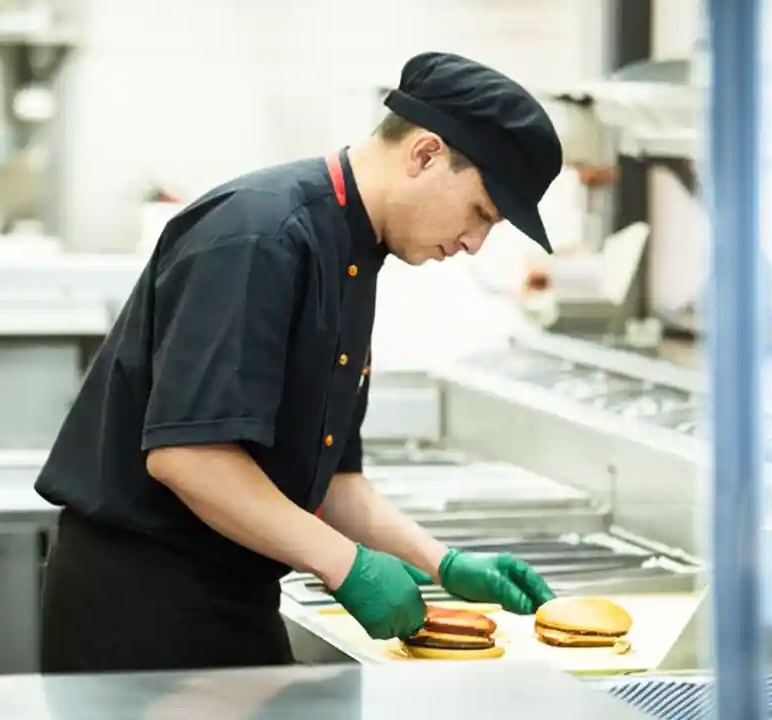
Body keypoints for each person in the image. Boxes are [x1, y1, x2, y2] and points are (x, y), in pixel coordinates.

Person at [35, 50, 565, 674]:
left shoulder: (356, 252)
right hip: (141, 610)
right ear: (424, 154)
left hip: (237, 594)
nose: (476, 243)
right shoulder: (261, 235)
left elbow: (335, 480)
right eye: (481, 213)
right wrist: (345, 564)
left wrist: (440, 563)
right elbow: (191, 458)